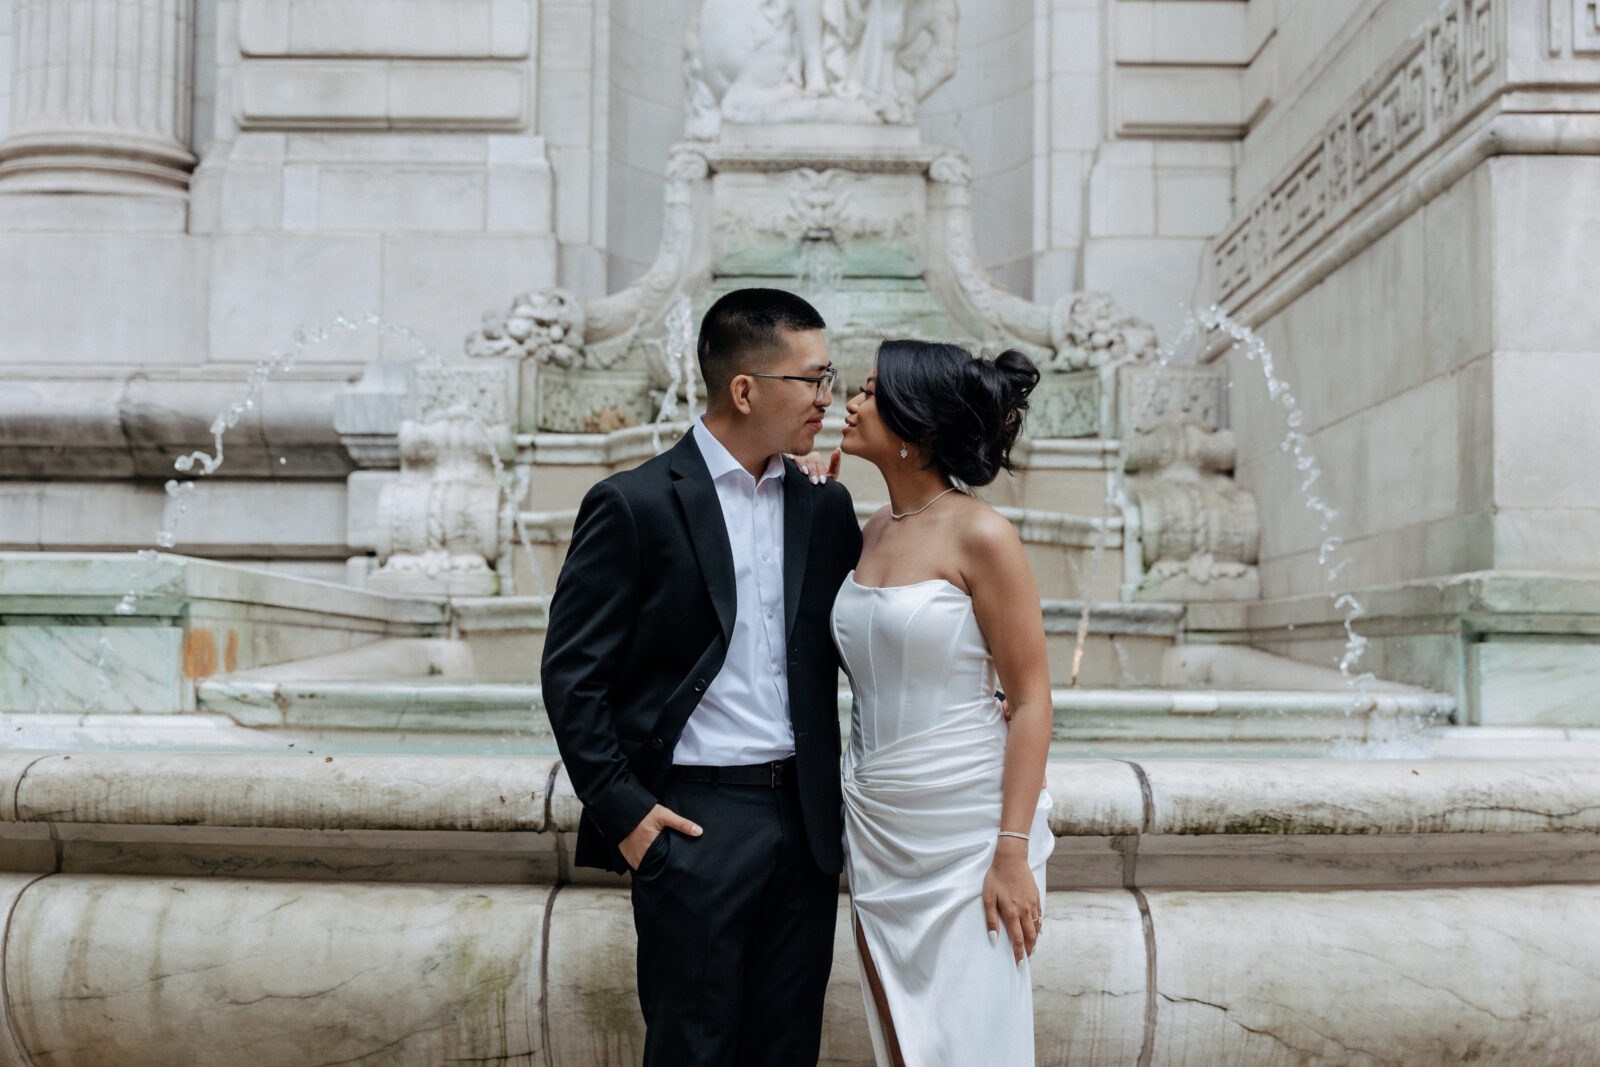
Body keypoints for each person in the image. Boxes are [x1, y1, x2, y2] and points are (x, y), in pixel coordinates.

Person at [541, 287, 862, 1066]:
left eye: (830, 378)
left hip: (806, 827)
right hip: (693, 821)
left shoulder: (824, 506)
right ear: (745, 389)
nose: (829, 398)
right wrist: (629, 815)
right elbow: (571, 673)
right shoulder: (634, 503)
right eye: (811, 380)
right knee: (692, 1048)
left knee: (786, 1050)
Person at [831, 340, 1054, 1066]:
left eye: (869, 392)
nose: (851, 403)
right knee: (903, 1038)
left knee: (972, 1041)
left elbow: (1031, 698)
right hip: (877, 823)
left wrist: (1011, 852)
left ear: (915, 426)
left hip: (963, 832)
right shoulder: (868, 533)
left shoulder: (983, 533)